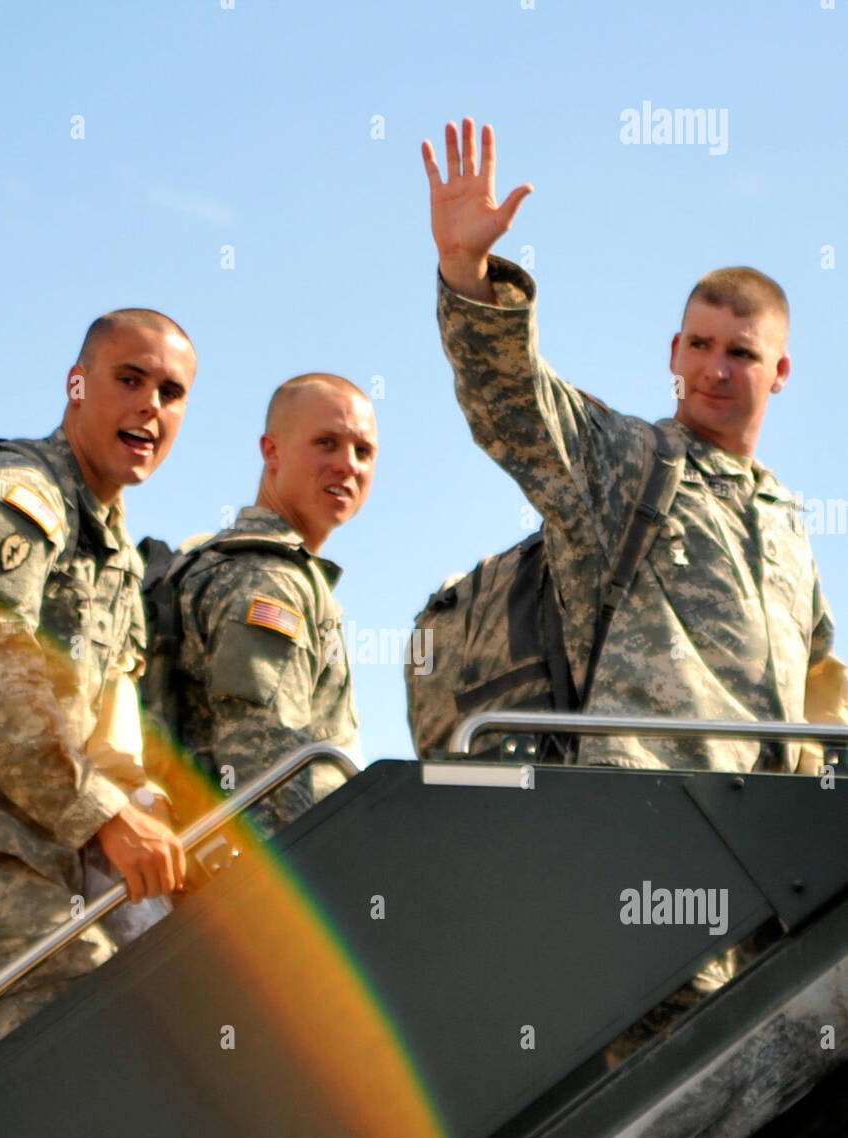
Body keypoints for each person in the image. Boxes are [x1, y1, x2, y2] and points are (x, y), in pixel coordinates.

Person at [421, 119, 834, 774]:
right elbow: (519, 406)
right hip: (638, 810)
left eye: (740, 353)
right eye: (698, 345)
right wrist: (465, 272)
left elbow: (820, 685)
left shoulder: (784, 515)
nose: (714, 370)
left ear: (779, 372)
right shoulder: (629, 460)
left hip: (763, 841)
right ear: (674, 351)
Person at [0, 309, 193, 1105]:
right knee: (91, 1051)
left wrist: (142, 813)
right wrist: (104, 815)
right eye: (128, 380)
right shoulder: (12, 492)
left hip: (37, 852)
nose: (149, 407)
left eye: (170, 392)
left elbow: (107, 729)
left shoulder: (117, 556)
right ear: (76, 385)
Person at [173, 373, 376, 835]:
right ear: (272, 451)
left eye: (363, 451)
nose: (348, 465)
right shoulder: (268, 578)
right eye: (326, 443)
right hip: (267, 874)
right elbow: (268, 764)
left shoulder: (274, 569)